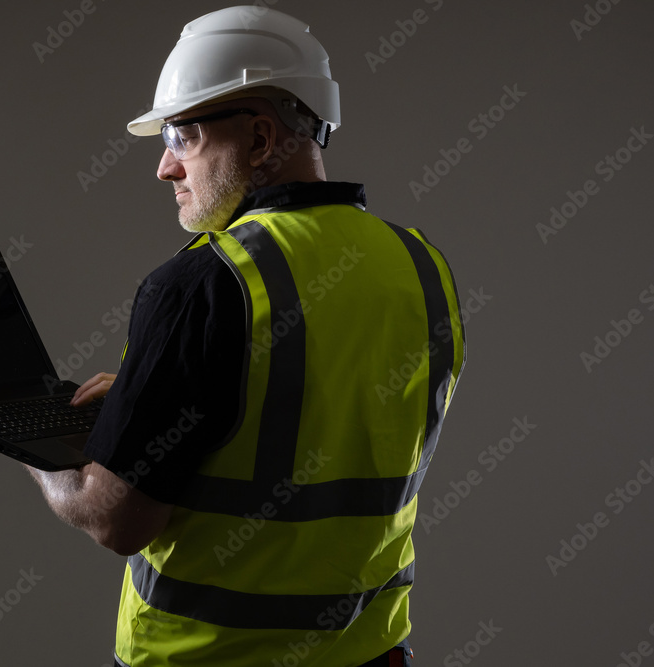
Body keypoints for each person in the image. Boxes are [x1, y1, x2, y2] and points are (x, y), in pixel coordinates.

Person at [27, 6, 466, 666]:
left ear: (260, 139)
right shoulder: (421, 266)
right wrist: (166, 399)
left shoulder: (205, 283)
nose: (165, 168)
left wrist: (32, 439)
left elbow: (115, 518)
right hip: (371, 653)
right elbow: (323, 415)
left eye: (181, 135)